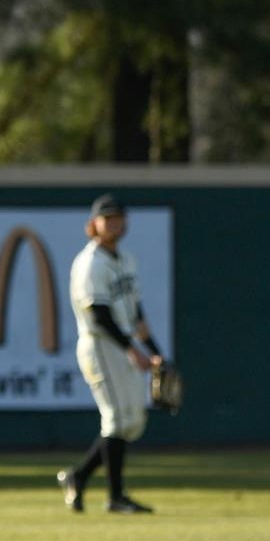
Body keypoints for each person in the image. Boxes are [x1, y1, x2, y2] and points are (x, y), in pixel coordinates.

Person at [59, 194, 163, 515]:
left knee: (132, 421)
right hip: (99, 344)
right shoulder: (90, 263)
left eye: (118, 217)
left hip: (121, 343)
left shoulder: (126, 259)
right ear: (94, 224)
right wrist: (133, 351)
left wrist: (155, 353)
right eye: (107, 218)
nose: (114, 223)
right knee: (117, 418)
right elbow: (99, 316)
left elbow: (135, 312)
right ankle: (115, 496)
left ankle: (79, 476)